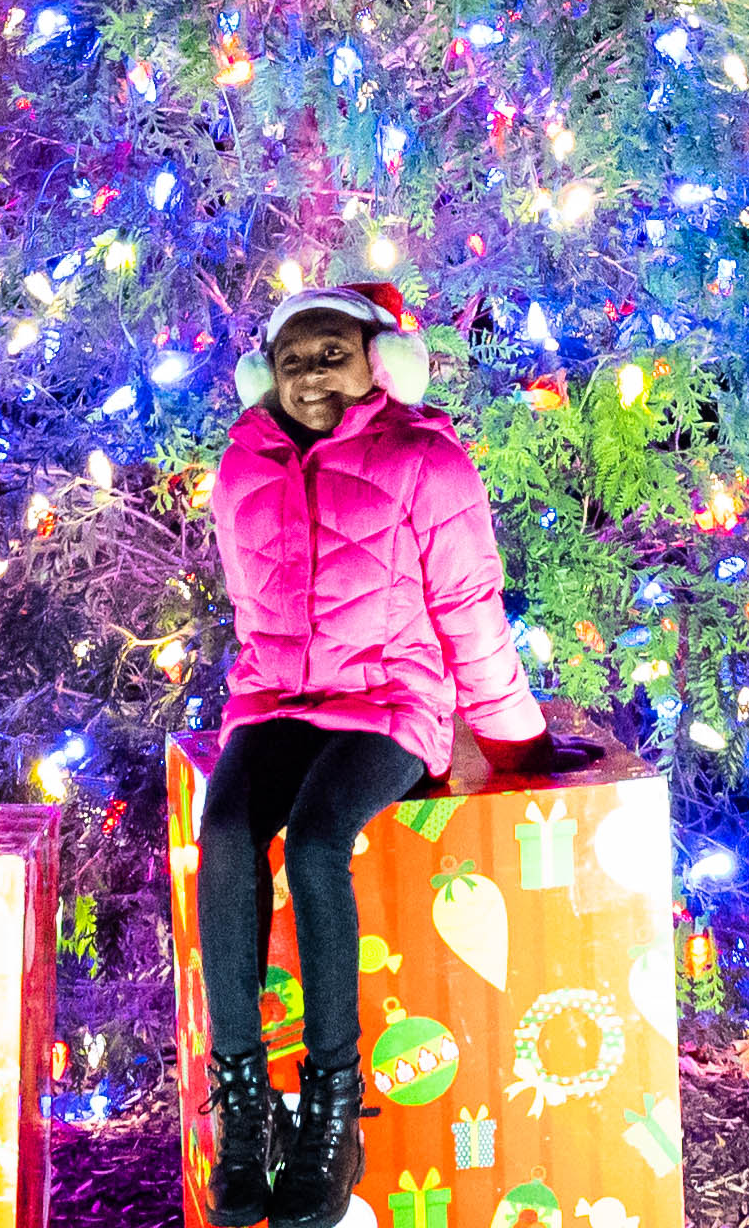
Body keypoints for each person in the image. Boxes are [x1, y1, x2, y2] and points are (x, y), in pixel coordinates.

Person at [195, 280, 580, 1228]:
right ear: (265, 376)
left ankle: (331, 1111)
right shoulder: (241, 470)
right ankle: (243, 1108)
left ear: (381, 361)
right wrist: (253, 710)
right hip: (276, 701)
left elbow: (469, 610)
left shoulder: (426, 461)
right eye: (292, 359)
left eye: (333, 352)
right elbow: (251, 608)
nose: (312, 373)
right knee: (230, 836)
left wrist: (511, 737)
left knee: (320, 842)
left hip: (388, 705)